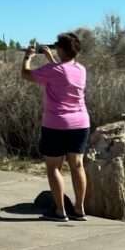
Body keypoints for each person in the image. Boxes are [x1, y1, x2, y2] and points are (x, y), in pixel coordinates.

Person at [22, 32, 90, 222]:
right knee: (77, 165)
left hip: (56, 124)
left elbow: (25, 74)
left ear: (61, 48)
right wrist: (51, 58)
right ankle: (79, 209)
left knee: (54, 168)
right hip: (80, 123)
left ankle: (60, 211)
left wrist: (28, 57)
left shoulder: (54, 70)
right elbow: (63, 73)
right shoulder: (81, 69)